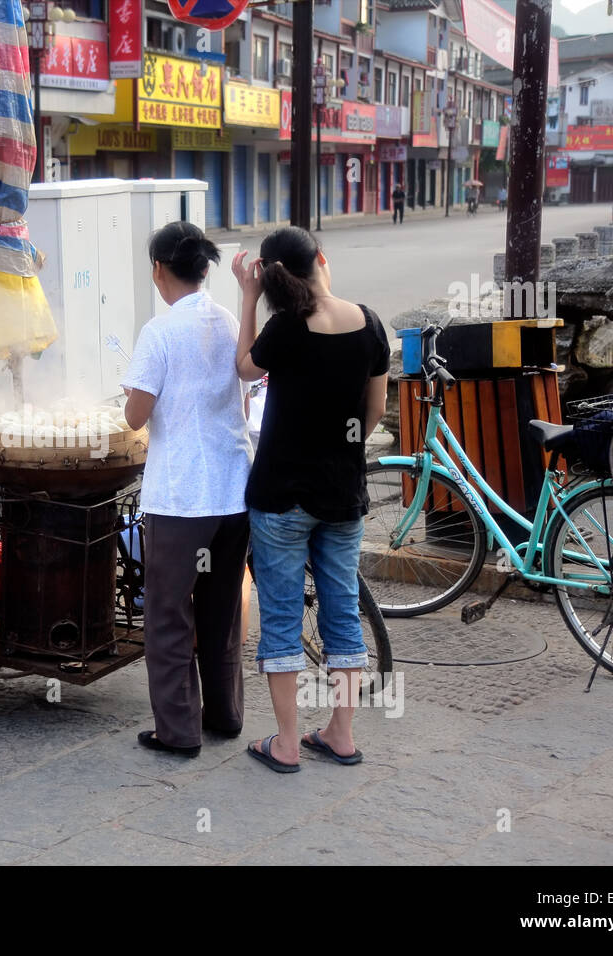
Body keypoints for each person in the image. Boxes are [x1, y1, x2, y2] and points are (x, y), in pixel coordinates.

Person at [231, 226, 389, 773]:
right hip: (342, 493)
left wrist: (247, 297)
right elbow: (373, 412)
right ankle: (340, 735)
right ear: (322, 258)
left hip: (280, 496)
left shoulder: (284, 329)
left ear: (271, 279)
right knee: (342, 612)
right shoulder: (369, 325)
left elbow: (245, 368)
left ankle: (288, 743)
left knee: (279, 616)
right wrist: (338, 449)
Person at [121, 221, 253, 759]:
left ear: (158, 269)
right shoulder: (227, 321)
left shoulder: (160, 332)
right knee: (221, 609)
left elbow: (134, 416)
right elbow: (242, 399)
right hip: (233, 490)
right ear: (204, 268)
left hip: (182, 498)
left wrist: (129, 392)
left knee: (169, 614)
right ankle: (224, 716)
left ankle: (177, 731)